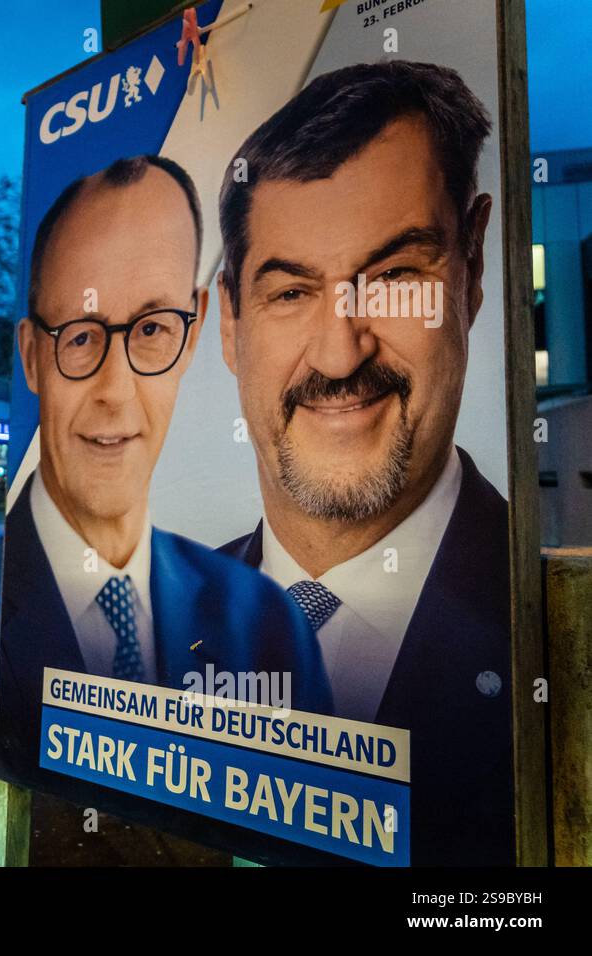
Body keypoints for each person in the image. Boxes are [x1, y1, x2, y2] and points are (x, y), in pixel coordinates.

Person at [214, 61, 511, 865]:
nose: (340, 354)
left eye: (393, 277)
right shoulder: (150, 619)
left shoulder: (553, 633)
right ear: (229, 326)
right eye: (290, 293)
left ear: (473, 268)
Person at [0, 154, 330, 785]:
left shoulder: (265, 621)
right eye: (81, 335)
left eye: (151, 328)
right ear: (32, 356)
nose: (115, 391)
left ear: (194, 331)